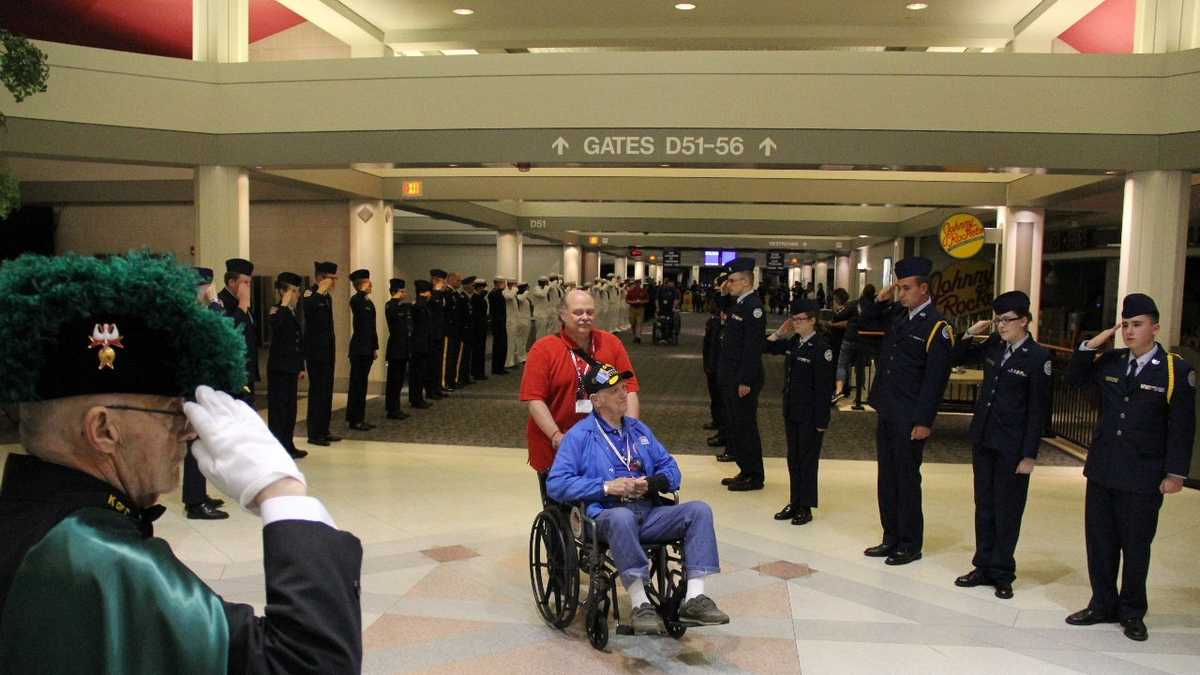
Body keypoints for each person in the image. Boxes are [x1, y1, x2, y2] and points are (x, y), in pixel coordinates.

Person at [0, 252, 363, 673]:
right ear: (103, 430)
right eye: (173, 412)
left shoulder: (36, 521)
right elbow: (310, 664)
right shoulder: (92, 556)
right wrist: (283, 493)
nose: (188, 431)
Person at [546, 359, 729, 634]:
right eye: (614, 391)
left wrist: (650, 483)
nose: (624, 394)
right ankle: (640, 602)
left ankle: (694, 598)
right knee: (621, 518)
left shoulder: (638, 430)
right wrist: (607, 487)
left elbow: (672, 470)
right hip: (606, 515)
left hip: (648, 511)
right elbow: (557, 483)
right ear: (596, 400)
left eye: (624, 387)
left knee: (699, 510)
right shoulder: (579, 436)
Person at [1064, 293, 1195, 642]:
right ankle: (1101, 604)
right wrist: (1090, 346)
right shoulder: (1111, 362)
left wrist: (1175, 473)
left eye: (1137, 325)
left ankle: (1132, 611)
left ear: (1155, 328)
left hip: (1143, 474)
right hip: (1104, 468)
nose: (1129, 331)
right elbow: (1074, 379)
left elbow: (1182, 427)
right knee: (1100, 542)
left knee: (1136, 546)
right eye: (1125, 325)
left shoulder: (1175, 370)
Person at [951, 291, 1050, 599]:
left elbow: (1038, 411)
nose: (1001, 326)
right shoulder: (994, 345)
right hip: (984, 438)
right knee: (984, 505)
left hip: (1012, 446)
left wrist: (1029, 454)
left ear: (1024, 321)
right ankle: (983, 565)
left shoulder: (1038, 357)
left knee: (1008, 509)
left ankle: (1002, 571)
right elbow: (957, 357)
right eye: (998, 320)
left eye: (1007, 320)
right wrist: (969, 334)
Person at [863, 257, 953, 566]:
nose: (901, 293)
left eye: (906, 288)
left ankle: (910, 543)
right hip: (888, 408)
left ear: (924, 289)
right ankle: (890, 536)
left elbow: (935, 380)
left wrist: (924, 421)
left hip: (910, 414)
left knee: (906, 479)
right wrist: (880, 298)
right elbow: (867, 320)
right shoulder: (899, 316)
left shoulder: (937, 327)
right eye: (899, 287)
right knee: (887, 478)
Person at [521, 289, 640, 491]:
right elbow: (534, 400)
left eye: (590, 312)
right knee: (564, 500)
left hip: (606, 443)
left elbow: (629, 390)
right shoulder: (543, 349)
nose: (585, 317)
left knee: (608, 499)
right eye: (578, 312)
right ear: (563, 315)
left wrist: (630, 431)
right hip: (557, 444)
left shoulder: (611, 343)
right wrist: (556, 436)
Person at [764, 297, 835, 525]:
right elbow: (766, 346)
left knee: (807, 461)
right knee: (793, 459)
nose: (796, 323)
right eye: (793, 319)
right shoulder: (795, 342)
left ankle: (806, 506)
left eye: (800, 319)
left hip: (810, 414)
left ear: (813, 320)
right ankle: (795, 501)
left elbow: (824, 389)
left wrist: (822, 420)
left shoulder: (822, 348)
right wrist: (779, 332)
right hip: (792, 410)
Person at [183, 266, 229, 520]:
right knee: (196, 441)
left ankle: (199, 494)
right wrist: (214, 305)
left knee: (201, 442)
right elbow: (214, 331)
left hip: (200, 384)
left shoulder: (197, 311)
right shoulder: (191, 313)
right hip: (192, 385)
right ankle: (195, 502)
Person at [717, 258, 767, 492]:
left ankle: (754, 475)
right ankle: (745, 469)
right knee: (736, 425)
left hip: (743, 378)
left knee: (745, 427)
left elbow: (752, 347)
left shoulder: (753, 307)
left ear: (746, 281)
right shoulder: (740, 303)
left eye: (732, 280)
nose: (728, 284)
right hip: (731, 375)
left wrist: (746, 379)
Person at [267, 272, 308, 459]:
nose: (297, 295)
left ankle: (288, 444)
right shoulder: (276, 310)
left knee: (291, 409)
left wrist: (301, 366)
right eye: (294, 291)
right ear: (283, 292)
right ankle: (278, 447)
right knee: (279, 410)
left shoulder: (291, 313)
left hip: (290, 368)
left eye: (298, 291)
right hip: (279, 369)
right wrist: (283, 304)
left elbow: (297, 341)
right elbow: (275, 326)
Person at [302, 261, 341, 447]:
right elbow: (308, 310)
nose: (333, 282)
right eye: (330, 278)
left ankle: (324, 430)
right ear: (319, 278)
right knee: (317, 392)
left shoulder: (326, 297)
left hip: (327, 350)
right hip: (315, 352)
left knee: (326, 392)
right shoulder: (310, 294)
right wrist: (319, 292)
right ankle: (314, 433)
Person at [218, 258, 258, 403]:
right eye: (245, 282)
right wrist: (242, 306)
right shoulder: (221, 302)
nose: (248, 287)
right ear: (231, 282)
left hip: (246, 370)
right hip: (233, 372)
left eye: (249, 283)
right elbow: (230, 331)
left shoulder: (242, 301)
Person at [346, 268, 377, 432]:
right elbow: (358, 311)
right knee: (357, 385)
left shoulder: (368, 302)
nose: (371, 285)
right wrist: (361, 290)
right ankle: (354, 419)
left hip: (367, 348)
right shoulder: (356, 300)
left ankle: (360, 417)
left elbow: (372, 328)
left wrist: (374, 347)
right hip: (358, 349)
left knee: (362, 385)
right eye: (367, 282)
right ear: (361, 284)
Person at [384, 278, 412, 421]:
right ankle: (392, 409)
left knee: (399, 380)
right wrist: (396, 298)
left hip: (403, 347)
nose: (405, 293)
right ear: (396, 292)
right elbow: (395, 321)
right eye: (402, 291)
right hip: (395, 348)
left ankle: (396, 408)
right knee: (393, 381)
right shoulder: (391, 305)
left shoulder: (402, 306)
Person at [409, 280, 434, 409]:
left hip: (422, 343)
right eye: (429, 292)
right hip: (419, 344)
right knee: (417, 373)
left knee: (420, 372)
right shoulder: (419, 306)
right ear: (424, 292)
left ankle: (418, 397)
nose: (431, 294)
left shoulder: (421, 305)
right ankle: (416, 398)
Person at [429, 269, 451, 395]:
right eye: (442, 282)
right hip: (432, 334)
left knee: (439, 362)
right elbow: (433, 308)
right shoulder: (430, 294)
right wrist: (437, 291)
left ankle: (437, 387)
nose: (444, 284)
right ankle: (432, 389)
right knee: (432, 363)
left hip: (441, 332)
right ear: (435, 281)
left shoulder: (442, 295)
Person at [443, 272, 466, 391]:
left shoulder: (456, 294)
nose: (460, 283)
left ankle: (452, 380)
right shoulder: (446, 294)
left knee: (455, 357)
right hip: (449, 331)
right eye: (458, 280)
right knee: (448, 358)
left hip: (457, 331)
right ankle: (446, 382)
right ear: (451, 280)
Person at [456, 276, 477, 386]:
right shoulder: (461, 298)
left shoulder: (468, 298)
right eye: (472, 285)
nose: (474, 287)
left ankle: (465, 376)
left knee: (467, 356)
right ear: (466, 286)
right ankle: (460, 378)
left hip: (469, 331)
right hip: (463, 332)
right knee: (462, 356)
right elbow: (461, 316)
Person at [470, 278, 490, 381]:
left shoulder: (479, 298)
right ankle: (477, 372)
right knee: (478, 351)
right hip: (477, 328)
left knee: (481, 350)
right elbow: (477, 315)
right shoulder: (475, 298)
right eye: (483, 287)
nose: (484, 289)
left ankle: (479, 371)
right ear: (478, 287)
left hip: (481, 327)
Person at [488, 276, 509, 375]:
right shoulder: (494, 294)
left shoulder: (499, 293)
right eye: (503, 283)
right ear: (498, 283)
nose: (505, 285)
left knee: (502, 346)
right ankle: (497, 368)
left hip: (501, 323)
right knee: (499, 346)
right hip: (498, 323)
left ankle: (500, 367)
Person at [504, 279, 521, 369]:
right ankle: (508, 362)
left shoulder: (513, 293)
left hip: (515, 321)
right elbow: (509, 297)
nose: (516, 286)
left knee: (514, 342)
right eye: (515, 284)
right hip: (510, 322)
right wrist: (515, 289)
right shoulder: (505, 292)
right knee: (510, 343)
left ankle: (512, 361)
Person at [626, 279, 649, 343]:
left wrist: (641, 301)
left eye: (639, 283)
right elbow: (627, 300)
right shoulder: (631, 291)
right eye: (636, 283)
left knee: (639, 322)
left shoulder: (643, 291)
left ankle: (638, 336)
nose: (637, 284)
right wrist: (633, 302)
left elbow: (647, 300)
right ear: (635, 284)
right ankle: (635, 335)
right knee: (632, 322)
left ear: (640, 284)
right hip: (632, 308)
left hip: (640, 308)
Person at [516, 282, 533, 363]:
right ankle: (520, 356)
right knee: (520, 339)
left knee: (524, 340)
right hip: (521, 321)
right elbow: (521, 299)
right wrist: (526, 292)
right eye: (526, 287)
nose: (528, 289)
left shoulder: (526, 297)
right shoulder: (518, 296)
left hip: (526, 320)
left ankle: (523, 355)